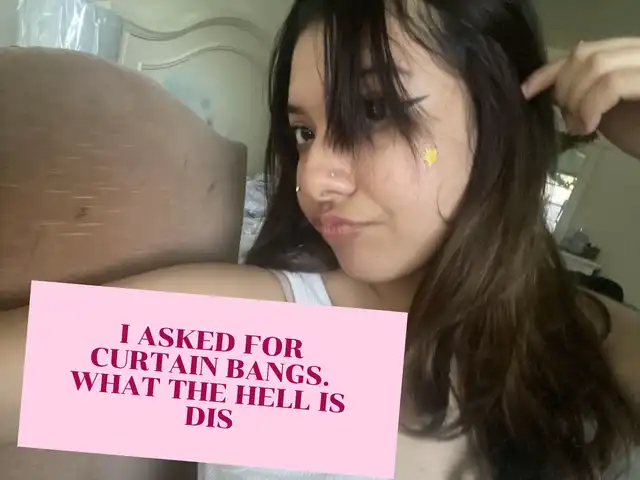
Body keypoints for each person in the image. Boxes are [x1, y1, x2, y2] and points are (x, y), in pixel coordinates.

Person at [1, 0, 640, 479]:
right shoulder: (283, 342)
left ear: (500, 124)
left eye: (374, 111)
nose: (312, 178)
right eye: (304, 134)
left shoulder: (594, 346)